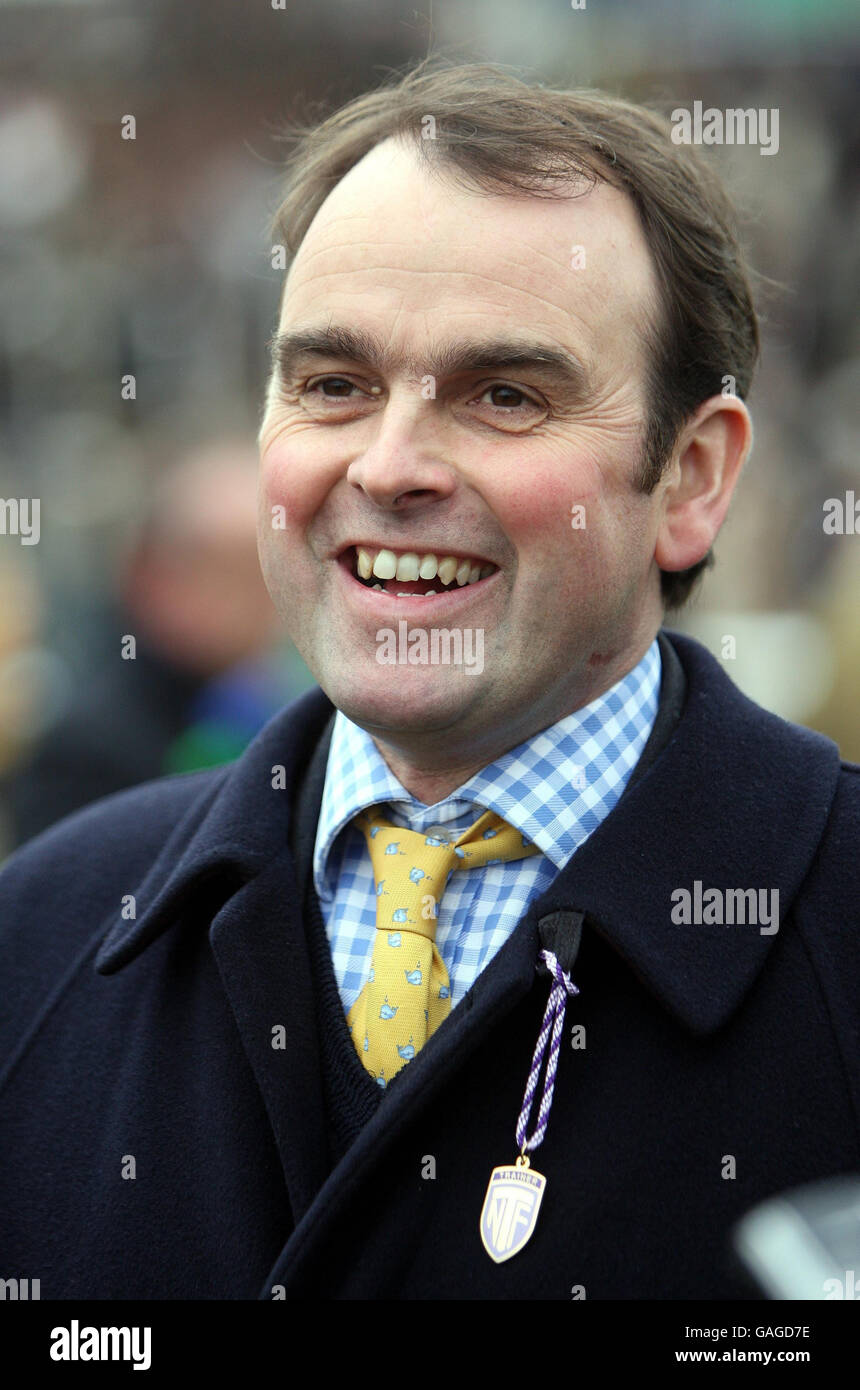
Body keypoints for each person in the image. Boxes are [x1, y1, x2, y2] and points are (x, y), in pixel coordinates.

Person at [1, 60, 857, 1301]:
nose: (388, 464)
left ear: (689, 479)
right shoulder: (43, 936)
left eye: (503, 395)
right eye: (332, 385)